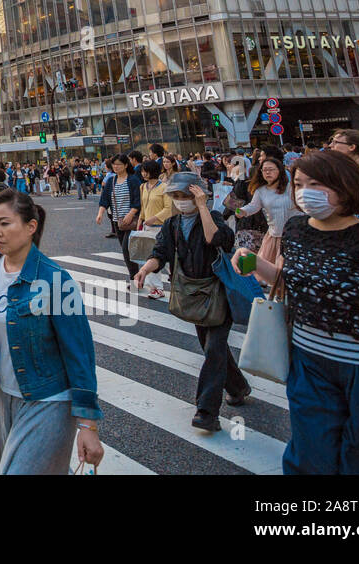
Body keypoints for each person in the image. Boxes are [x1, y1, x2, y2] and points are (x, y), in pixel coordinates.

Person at [232, 151, 359, 472]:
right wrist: (255, 263)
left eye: (317, 184)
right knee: (311, 459)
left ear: (346, 186)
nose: (304, 192)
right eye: (299, 184)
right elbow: (295, 283)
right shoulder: (297, 230)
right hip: (310, 368)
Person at [0, 187, 104, 473]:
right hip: (5, 395)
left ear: (30, 226)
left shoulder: (56, 280)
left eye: (5, 223)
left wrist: (87, 424)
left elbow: (80, 353)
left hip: (49, 399)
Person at [133, 173, 250, 432]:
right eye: (176, 196)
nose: (180, 201)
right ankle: (238, 387)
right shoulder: (172, 224)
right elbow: (160, 253)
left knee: (214, 350)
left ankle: (206, 412)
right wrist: (145, 270)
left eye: (185, 196)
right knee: (212, 349)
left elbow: (216, 239)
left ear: (198, 195)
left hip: (219, 291)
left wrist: (202, 207)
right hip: (193, 294)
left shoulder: (214, 218)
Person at [233, 158, 294, 270]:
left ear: (280, 171)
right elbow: (253, 206)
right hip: (274, 235)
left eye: (271, 169)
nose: (267, 172)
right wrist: (241, 211)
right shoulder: (261, 191)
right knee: (271, 270)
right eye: (264, 170)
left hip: (293, 235)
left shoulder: (291, 187)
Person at [95, 154, 141, 279]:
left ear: (126, 165)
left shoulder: (133, 180)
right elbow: (104, 199)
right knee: (128, 251)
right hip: (118, 221)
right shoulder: (111, 180)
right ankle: (137, 276)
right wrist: (100, 213)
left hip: (132, 221)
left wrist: (131, 214)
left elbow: (138, 200)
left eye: (119, 164)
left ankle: (134, 279)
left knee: (127, 250)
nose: (116, 166)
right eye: (114, 164)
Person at [137, 159, 172, 300]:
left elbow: (168, 209)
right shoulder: (142, 187)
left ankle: (178, 279)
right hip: (147, 227)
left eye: (146, 170)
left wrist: (154, 218)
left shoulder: (164, 187)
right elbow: (143, 207)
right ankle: (156, 288)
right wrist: (141, 220)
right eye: (142, 171)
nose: (144, 173)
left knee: (168, 258)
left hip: (161, 228)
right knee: (150, 258)